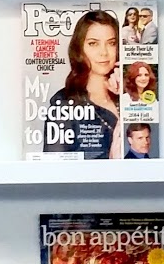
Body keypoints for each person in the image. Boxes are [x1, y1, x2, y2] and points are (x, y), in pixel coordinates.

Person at [42, 10, 122, 158]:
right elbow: (54, 172)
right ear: (80, 49)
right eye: (93, 44)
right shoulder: (65, 102)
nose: (103, 52)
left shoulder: (128, 95)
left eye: (111, 43)